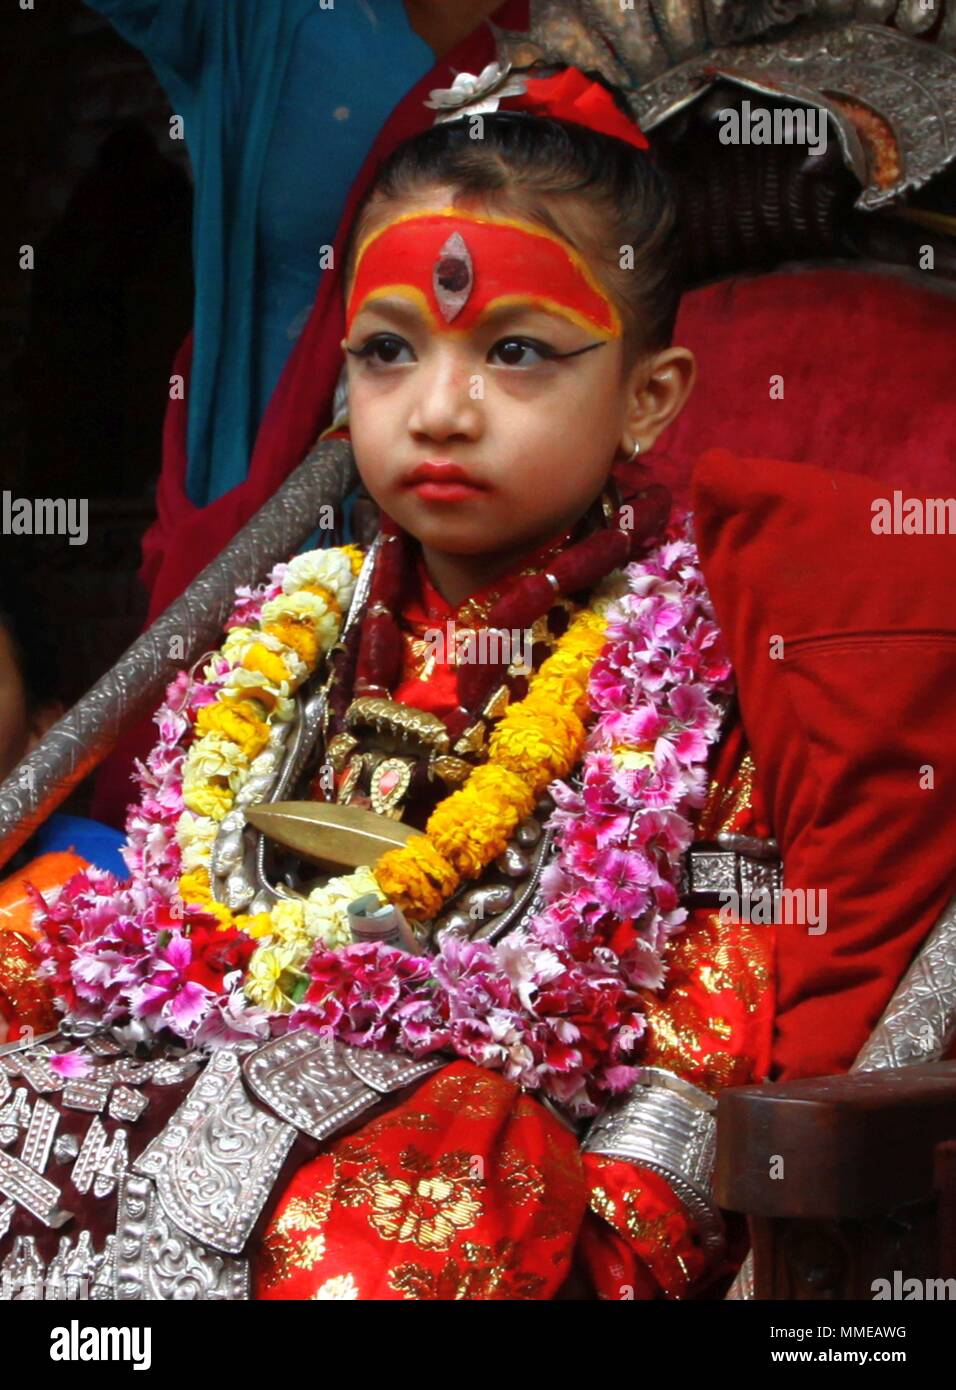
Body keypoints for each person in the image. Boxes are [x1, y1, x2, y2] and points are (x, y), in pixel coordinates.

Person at [4, 62, 954, 1301]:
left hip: (495, 1157)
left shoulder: (707, 662)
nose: (440, 409)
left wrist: (621, 1221)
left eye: (513, 353)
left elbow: (710, 1021)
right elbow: (177, 903)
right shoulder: (295, 624)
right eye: (389, 350)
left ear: (646, 401)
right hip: (214, 1050)